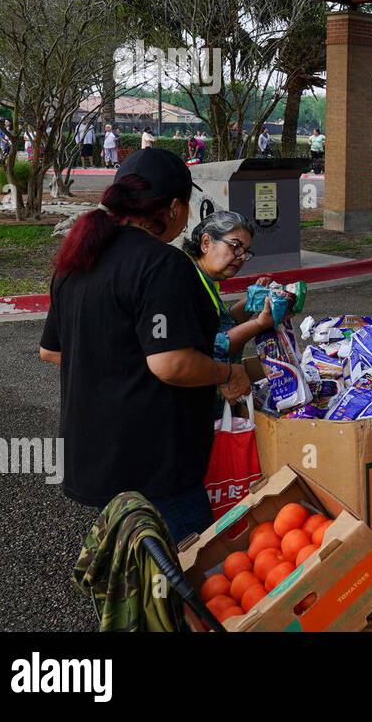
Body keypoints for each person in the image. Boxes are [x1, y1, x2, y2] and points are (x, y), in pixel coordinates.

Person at [37, 148, 250, 543]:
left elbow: (53, 350)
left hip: (97, 458)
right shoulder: (161, 266)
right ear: (172, 208)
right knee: (193, 577)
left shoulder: (77, 260)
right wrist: (227, 373)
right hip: (154, 464)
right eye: (187, 206)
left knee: (135, 574)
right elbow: (171, 363)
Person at [183, 211, 277, 365]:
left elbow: (224, 322)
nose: (241, 257)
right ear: (206, 242)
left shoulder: (206, 278)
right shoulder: (185, 280)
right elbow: (211, 347)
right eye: (236, 246)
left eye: (245, 251)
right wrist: (259, 324)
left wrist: (254, 299)